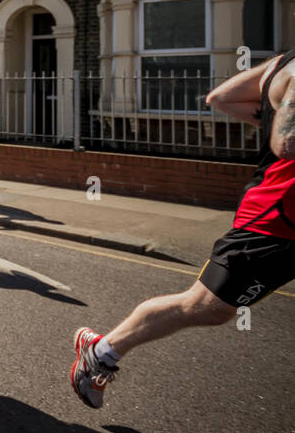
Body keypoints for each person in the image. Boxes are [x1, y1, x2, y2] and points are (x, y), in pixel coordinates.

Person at [70, 48, 295, 410]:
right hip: (275, 221)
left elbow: (221, 98)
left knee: (213, 308)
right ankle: (102, 351)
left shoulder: (281, 62)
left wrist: (271, 117)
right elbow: (287, 143)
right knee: (208, 306)